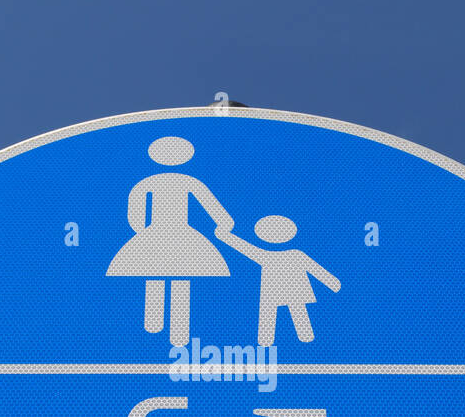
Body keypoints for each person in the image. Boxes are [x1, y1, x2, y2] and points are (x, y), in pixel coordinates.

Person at [107, 136, 234, 346]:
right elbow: (213, 208)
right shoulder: (187, 182)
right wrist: (224, 223)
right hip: (177, 234)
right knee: (177, 279)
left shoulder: (150, 182)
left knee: (160, 276)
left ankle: (161, 328)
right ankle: (170, 333)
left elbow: (135, 215)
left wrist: (143, 233)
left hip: (160, 233)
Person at [215, 215, 340, 346]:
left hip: (280, 292)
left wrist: (225, 236)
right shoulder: (294, 254)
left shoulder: (270, 256)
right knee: (288, 312)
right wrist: (333, 283)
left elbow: (245, 247)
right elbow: (316, 270)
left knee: (277, 313)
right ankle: (291, 339)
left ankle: (269, 341)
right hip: (289, 292)